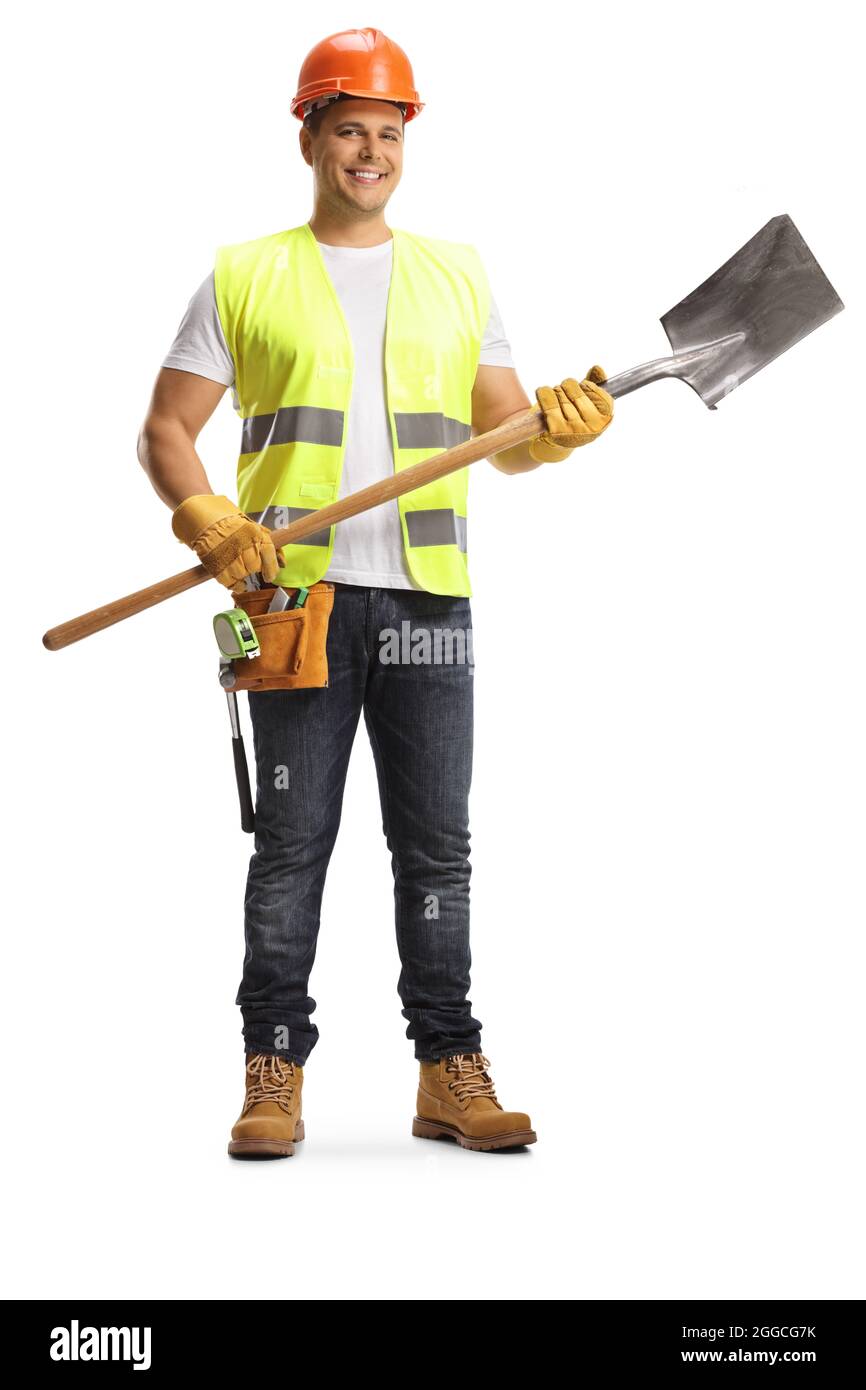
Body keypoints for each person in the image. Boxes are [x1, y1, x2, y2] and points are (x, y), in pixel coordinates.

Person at [137, 27, 614, 1158]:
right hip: (296, 603)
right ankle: (272, 1070)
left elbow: (499, 435)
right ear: (308, 135)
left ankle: (448, 1067)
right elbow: (167, 427)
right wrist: (202, 513)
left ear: (407, 144)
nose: (369, 151)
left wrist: (549, 437)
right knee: (292, 842)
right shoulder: (245, 273)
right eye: (348, 128)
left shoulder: (457, 273)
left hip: (427, 604)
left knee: (436, 846)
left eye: (388, 133)